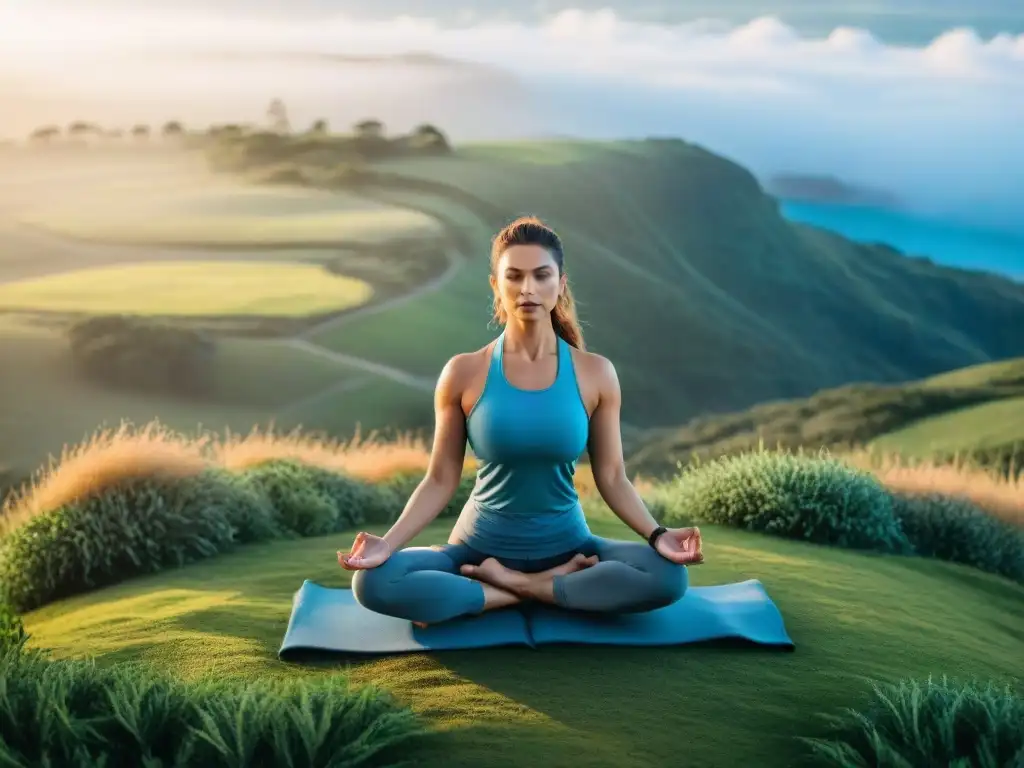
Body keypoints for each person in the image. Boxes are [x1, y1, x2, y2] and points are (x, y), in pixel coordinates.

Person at [338, 216, 704, 627]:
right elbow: (440, 479)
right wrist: (387, 546)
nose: (527, 288)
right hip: (477, 551)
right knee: (373, 584)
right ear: (497, 284)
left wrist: (658, 535)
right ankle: (542, 589)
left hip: (569, 546)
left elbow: (614, 476)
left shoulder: (595, 373)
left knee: (669, 577)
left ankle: (503, 589)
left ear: (560, 283)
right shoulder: (464, 372)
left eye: (541, 275)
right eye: (514, 276)